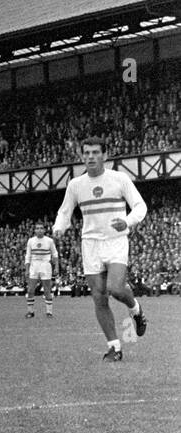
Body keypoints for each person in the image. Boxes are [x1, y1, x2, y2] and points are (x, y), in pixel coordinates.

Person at [53, 138, 148, 361]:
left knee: (115, 288)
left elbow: (140, 206)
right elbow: (65, 212)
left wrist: (127, 221)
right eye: (86, 153)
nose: (90, 157)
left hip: (115, 240)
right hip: (90, 244)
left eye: (95, 152)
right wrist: (59, 227)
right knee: (99, 297)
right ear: (82, 156)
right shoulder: (76, 184)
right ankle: (115, 347)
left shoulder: (119, 179)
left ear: (105, 156)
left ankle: (136, 309)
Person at [23, 223, 58, 319]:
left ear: (44, 230)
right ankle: (30, 312)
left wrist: (56, 267)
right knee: (30, 290)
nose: (39, 230)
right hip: (34, 266)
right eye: (37, 228)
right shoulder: (31, 241)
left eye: (41, 228)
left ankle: (49, 312)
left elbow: (55, 255)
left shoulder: (49, 241)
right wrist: (27, 269)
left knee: (47, 290)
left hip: (45, 265)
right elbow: (28, 256)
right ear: (34, 230)